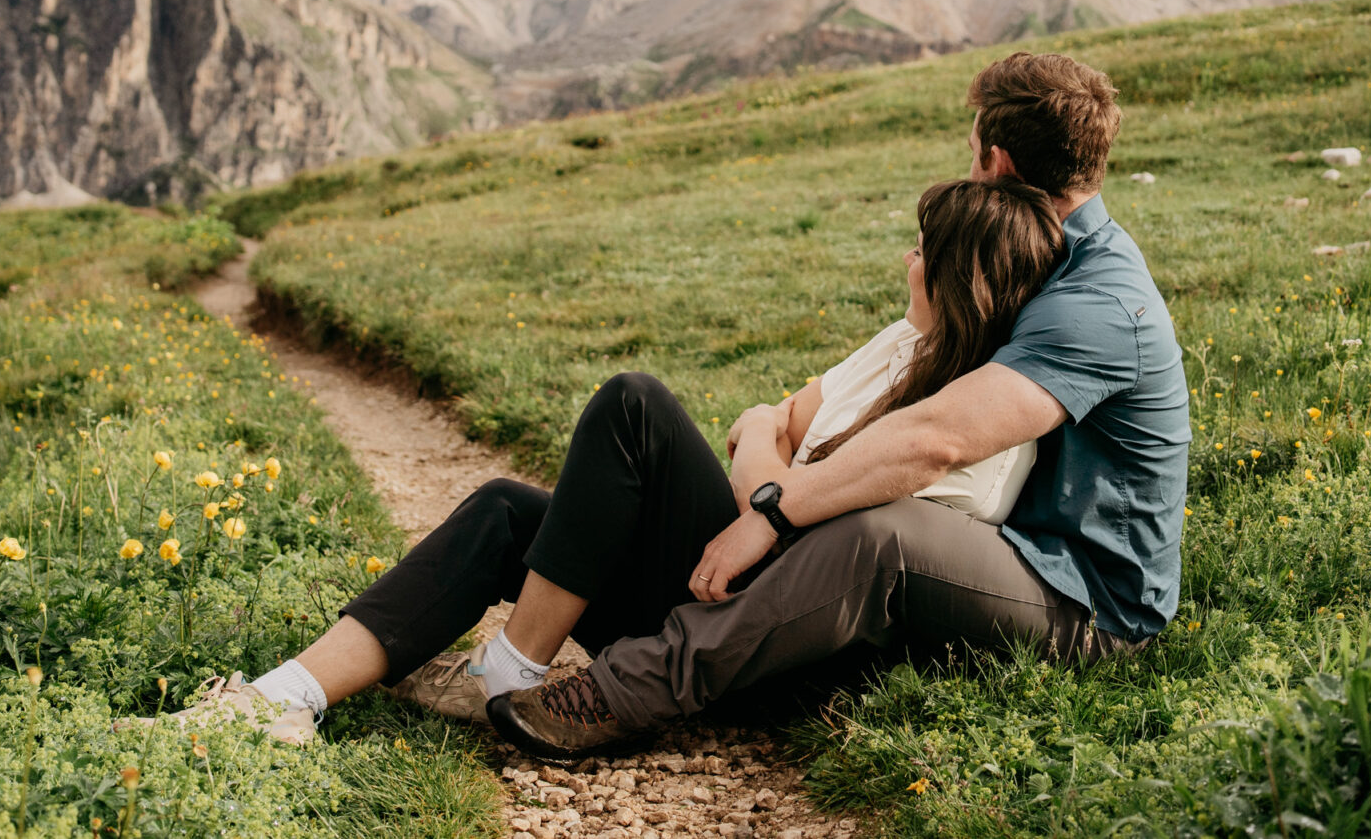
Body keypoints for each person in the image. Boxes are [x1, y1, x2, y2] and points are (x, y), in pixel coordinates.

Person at [134, 169, 1070, 747]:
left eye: (919, 250)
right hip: (741, 568)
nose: (904, 260)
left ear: (957, 276)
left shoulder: (983, 419)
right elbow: (763, 423)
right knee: (509, 507)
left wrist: (769, 507)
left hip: (769, 645)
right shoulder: (901, 345)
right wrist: (766, 504)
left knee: (635, 404)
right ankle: (283, 696)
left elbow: (862, 542)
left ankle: (508, 672)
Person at [487, 53, 1190, 759]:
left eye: (970, 154)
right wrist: (776, 456)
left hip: (1085, 604)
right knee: (852, 507)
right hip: (1004, 552)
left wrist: (769, 509)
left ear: (999, 163)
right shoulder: (1036, 258)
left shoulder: (1095, 302)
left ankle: (624, 689)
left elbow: (938, 439)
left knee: (883, 533)